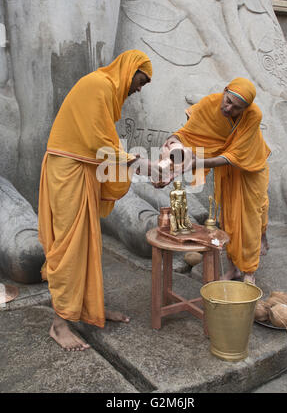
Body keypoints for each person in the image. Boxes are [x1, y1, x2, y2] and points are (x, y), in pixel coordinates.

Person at [38, 50, 160, 351]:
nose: (139, 88)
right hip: (68, 172)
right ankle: (59, 324)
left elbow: (100, 145)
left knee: (89, 244)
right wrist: (143, 165)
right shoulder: (99, 85)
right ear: (128, 70)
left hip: (81, 170)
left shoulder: (104, 87)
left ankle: (89, 309)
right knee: (70, 247)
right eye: (140, 80)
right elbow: (99, 144)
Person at [161, 78, 270, 285]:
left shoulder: (253, 115)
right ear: (225, 91)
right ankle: (233, 269)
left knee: (250, 218)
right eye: (227, 101)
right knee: (228, 217)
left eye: (236, 108)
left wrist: (196, 163)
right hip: (228, 169)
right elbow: (187, 133)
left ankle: (249, 271)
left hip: (251, 167)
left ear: (246, 109)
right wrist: (174, 141)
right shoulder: (209, 104)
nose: (228, 108)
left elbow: (235, 155)